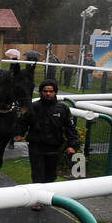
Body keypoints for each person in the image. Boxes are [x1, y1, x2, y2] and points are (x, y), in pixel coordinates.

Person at [16, 78, 80, 208]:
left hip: (54, 147)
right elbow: (23, 122)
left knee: (51, 175)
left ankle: (47, 197)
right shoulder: (34, 107)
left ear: (55, 92)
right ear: (40, 92)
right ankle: (37, 201)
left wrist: (73, 145)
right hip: (36, 146)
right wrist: (19, 134)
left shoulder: (62, 108)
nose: (48, 94)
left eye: (51, 91)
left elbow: (70, 128)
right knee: (37, 173)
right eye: (45, 91)